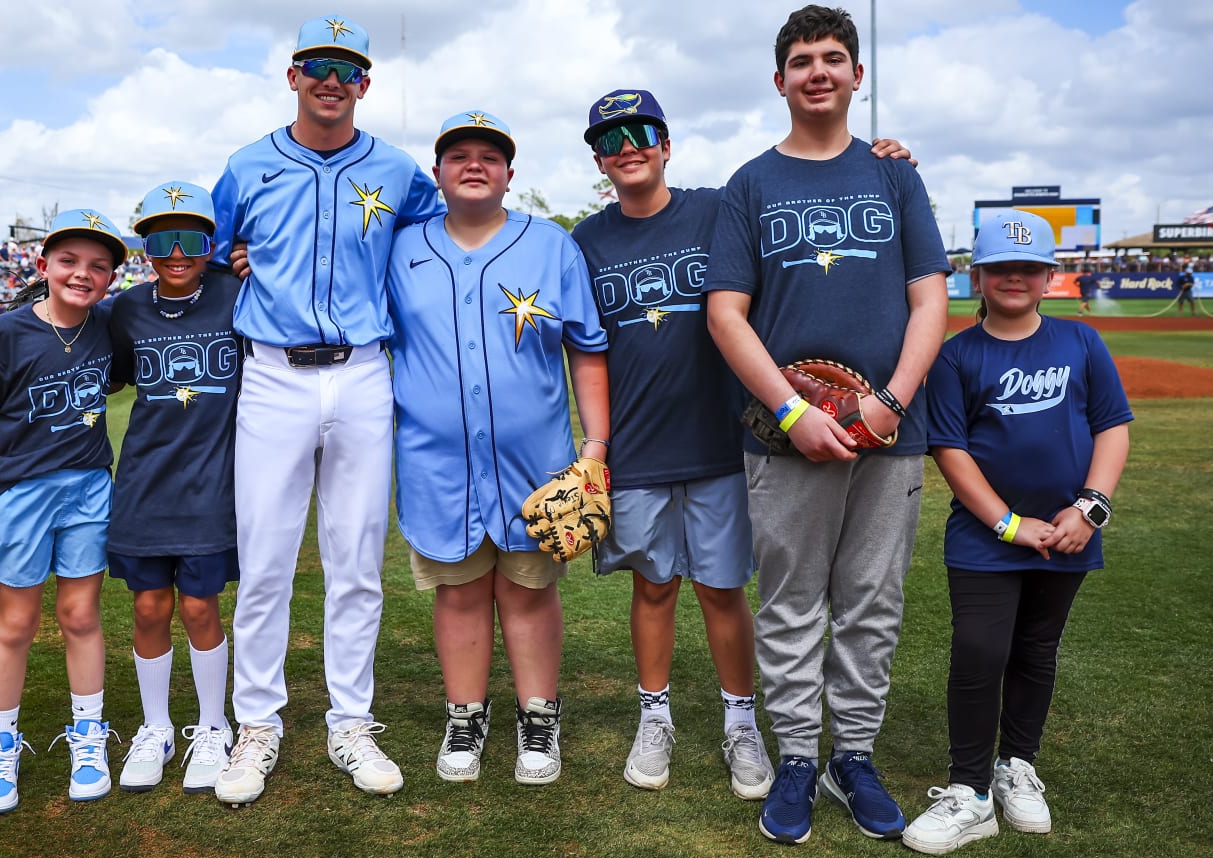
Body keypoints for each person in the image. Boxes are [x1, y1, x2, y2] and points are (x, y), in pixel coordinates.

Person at [572, 88, 916, 800]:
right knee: (653, 586)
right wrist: (597, 445)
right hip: (638, 447)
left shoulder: (717, 205)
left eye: (641, 132)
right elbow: (588, 353)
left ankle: (740, 723)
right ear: (598, 160)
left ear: (666, 144)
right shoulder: (587, 239)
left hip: (727, 441)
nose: (627, 146)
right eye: (609, 139)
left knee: (724, 589)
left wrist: (883, 158)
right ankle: (654, 715)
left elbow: (800, 188)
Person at [704, 4, 951, 845]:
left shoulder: (895, 177)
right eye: (802, 59)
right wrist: (792, 409)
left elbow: (930, 298)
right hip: (785, 437)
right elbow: (726, 314)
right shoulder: (750, 184)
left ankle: (855, 755)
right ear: (780, 81)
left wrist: (891, 401)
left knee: (873, 604)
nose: (818, 70)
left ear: (855, 76)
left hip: (892, 432)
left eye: (833, 57)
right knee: (791, 603)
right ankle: (799, 759)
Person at [208, 14, 444, 806]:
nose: (332, 80)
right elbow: (212, 257)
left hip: (364, 371)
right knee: (267, 560)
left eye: (348, 68)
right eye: (319, 65)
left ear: (365, 83)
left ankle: (351, 720)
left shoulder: (401, 168)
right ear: (294, 74)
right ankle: (258, 726)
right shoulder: (247, 165)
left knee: (356, 560)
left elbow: (428, 248)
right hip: (273, 374)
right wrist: (237, 258)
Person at [387, 111, 608, 786]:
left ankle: (539, 715)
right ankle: (466, 714)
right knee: (456, 592)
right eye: (459, 155)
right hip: (435, 461)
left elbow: (588, 349)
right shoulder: (401, 246)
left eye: (490, 154)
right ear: (438, 174)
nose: (474, 163)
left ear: (510, 173)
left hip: (533, 460)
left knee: (529, 588)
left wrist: (595, 445)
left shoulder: (551, 245)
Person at [903, 210, 1132, 855]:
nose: (1014, 278)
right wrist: (1006, 523)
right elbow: (950, 448)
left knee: (1036, 651)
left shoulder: (1081, 342)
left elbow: (1112, 427)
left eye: (1028, 268)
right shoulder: (955, 356)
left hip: (1067, 532)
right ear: (978, 275)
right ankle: (971, 791)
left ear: (1048, 277)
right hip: (985, 536)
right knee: (979, 653)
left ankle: (1016, 767)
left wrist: (1090, 510)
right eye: (1000, 266)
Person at [0, 209, 126, 815]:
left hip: (88, 489)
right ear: (43, 264)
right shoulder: (6, 333)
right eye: (70, 261)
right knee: (16, 623)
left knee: (80, 615)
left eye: (99, 266)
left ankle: (88, 738)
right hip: (21, 494)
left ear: (110, 279)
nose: (84, 274)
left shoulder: (105, 327)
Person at [106, 182, 240, 795]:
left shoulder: (239, 296)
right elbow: (82, 369)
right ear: (145, 246)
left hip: (211, 482)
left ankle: (214, 726)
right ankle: (156, 728)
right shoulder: (126, 309)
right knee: (148, 606)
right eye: (163, 238)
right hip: (144, 481)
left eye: (193, 238)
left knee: (198, 606)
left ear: (213, 243)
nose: (179, 252)